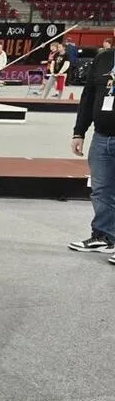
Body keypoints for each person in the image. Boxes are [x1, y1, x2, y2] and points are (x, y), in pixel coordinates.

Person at [69, 41, 115, 257]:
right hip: (101, 136)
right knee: (101, 190)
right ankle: (104, 236)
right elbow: (88, 97)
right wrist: (79, 132)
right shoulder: (103, 58)